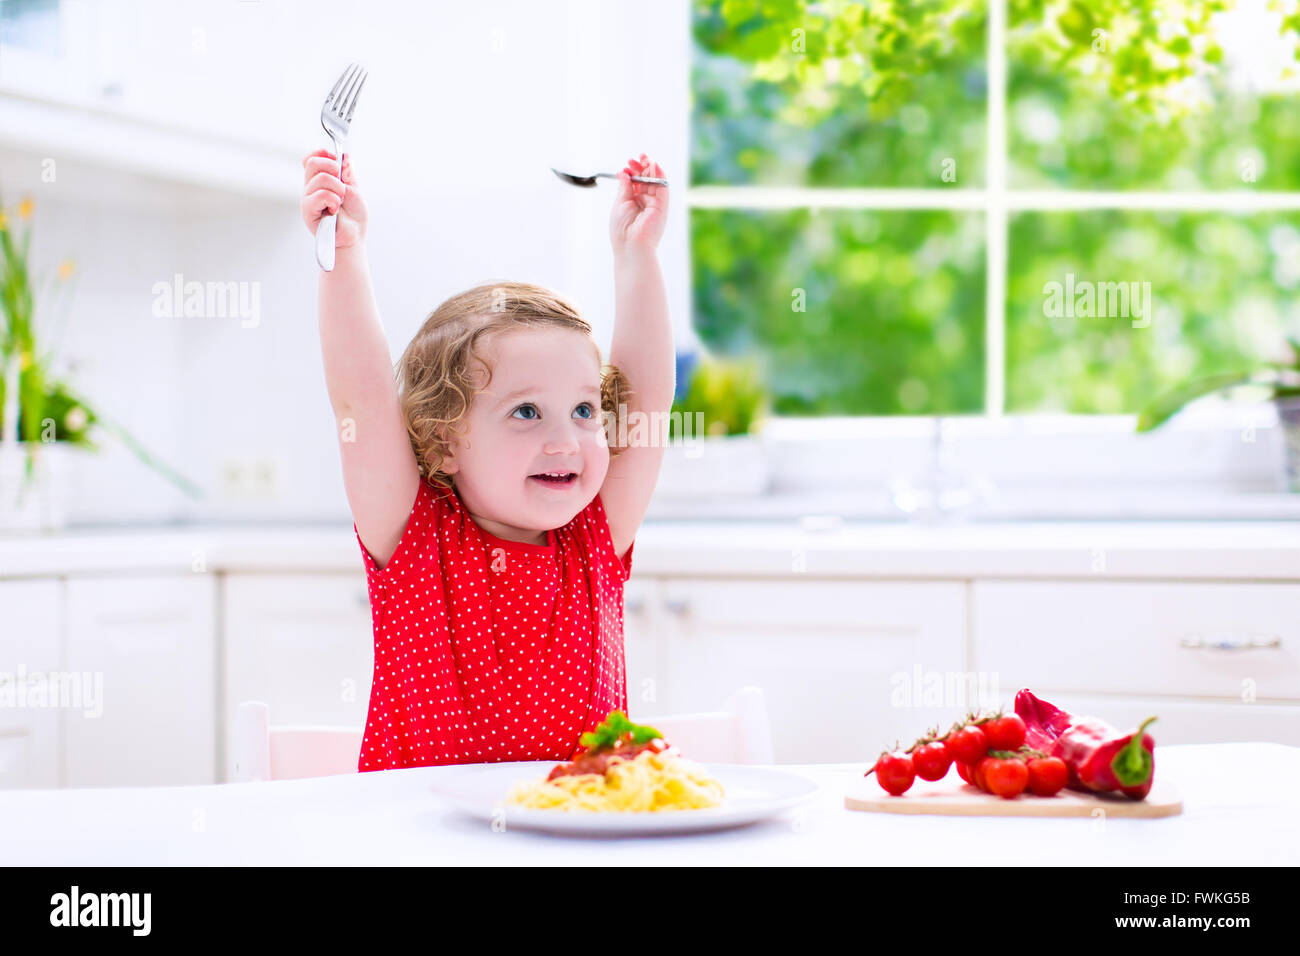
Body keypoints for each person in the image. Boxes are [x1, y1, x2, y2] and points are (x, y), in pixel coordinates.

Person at [300, 148, 673, 769]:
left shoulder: (592, 539)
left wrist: (638, 255)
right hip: (414, 826)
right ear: (444, 441)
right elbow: (361, 399)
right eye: (527, 411)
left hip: (574, 824)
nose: (567, 440)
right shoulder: (417, 540)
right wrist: (345, 252)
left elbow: (647, 402)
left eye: (584, 410)